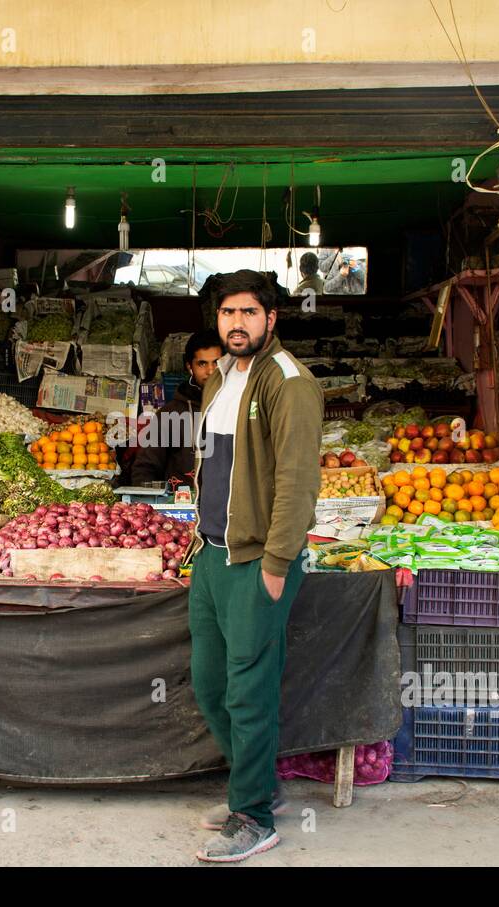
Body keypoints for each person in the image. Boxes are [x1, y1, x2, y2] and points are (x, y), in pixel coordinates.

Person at [187, 269, 323, 863]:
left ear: (272, 319)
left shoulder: (288, 382)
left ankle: (254, 816)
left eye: (248, 312)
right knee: (211, 682)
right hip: (211, 555)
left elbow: (298, 482)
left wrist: (276, 561)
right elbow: (214, 464)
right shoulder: (221, 376)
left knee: (249, 689)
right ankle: (256, 784)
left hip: (256, 560)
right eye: (227, 313)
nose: (236, 322)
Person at [131, 330, 223, 490]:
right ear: (190, 367)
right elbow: (144, 469)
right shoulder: (170, 414)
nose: (210, 371)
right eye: (202, 363)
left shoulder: (239, 409)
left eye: (217, 362)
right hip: (183, 510)